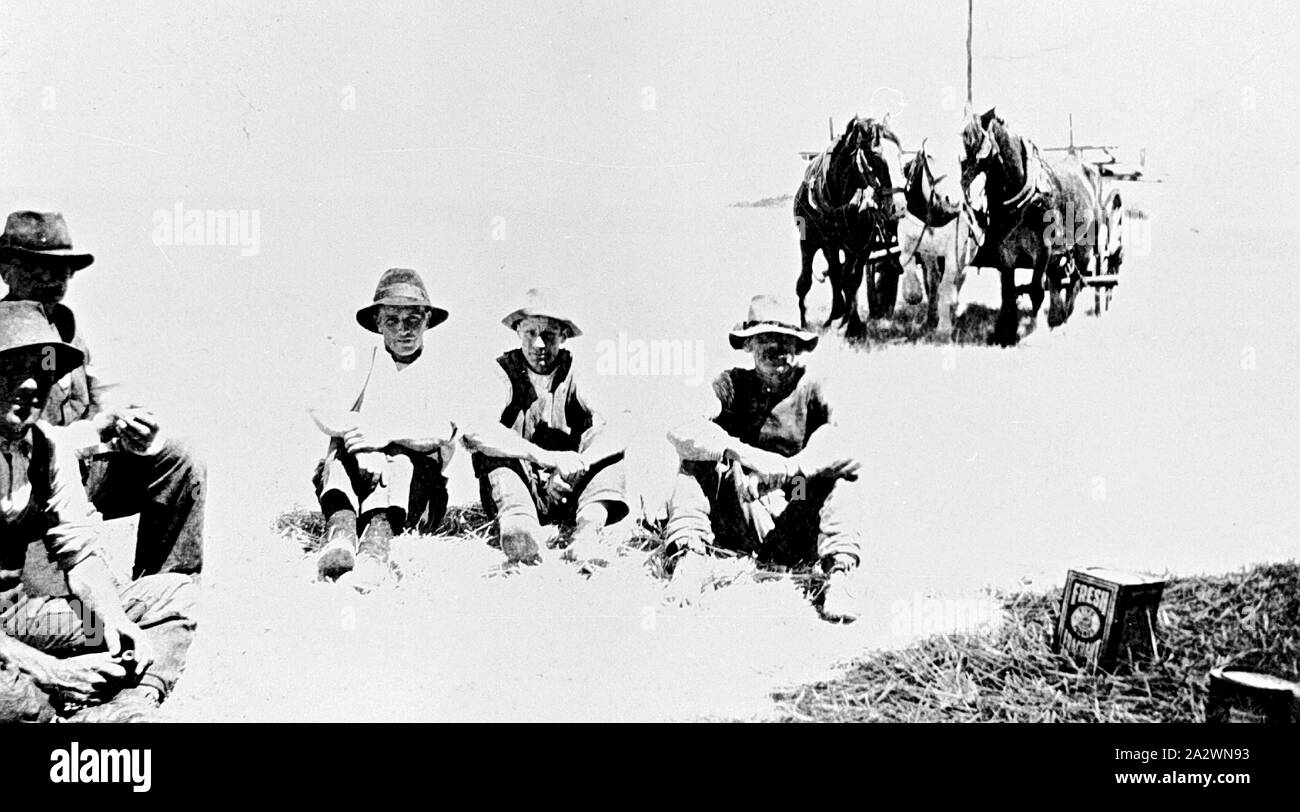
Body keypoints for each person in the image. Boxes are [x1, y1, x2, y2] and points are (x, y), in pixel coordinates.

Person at [0, 301, 197, 723]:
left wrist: (113, 618)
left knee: (174, 597)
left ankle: (133, 702)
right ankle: (54, 706)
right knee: (9, 694)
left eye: (44, 371)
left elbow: (80, 554)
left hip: (19, 620)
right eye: (15, 368)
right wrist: (55, 671)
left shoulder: (45, 447)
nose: (33, 384)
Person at [0, 211, 206, 580]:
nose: (53, 280)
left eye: (63, 271)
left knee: (179, 455)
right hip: (25, 493)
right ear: (6, 270)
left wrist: (131, 428)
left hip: (77, 475)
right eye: (37, 268)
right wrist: (98, 429)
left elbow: (101, 399)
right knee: (67, 620)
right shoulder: (4, 336)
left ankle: (165, 586)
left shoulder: (68, 333)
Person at [663, 293, 866, 622]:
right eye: (765, 340)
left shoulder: (813, 387)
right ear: (749, 345)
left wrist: (788, 469)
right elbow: (680, 425)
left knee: (840, 478)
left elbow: (849, 440)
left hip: (798, 501)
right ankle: (690, 559)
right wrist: (745, 455)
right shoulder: (732, 385)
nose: (775, 349)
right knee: (694, 459)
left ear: (798, 347)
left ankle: (838, 576)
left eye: (784, 340)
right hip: (744, 500)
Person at [309, 268, 458, 592]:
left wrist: (387, 434)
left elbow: (445, 429)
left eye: (413, 320)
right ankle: (342, 533)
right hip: (361, 481)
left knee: (403, 458)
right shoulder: (364, 362)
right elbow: (321, 409)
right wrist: (365, 445)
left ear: (428, 320)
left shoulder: (441, 369)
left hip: (412, 495)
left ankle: (375, 550)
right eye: (392, 320)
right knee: (340, 443)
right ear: (377, 322)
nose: (403, 330)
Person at [462, 288, 629, 568]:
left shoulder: (578, 371)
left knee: (605, 442)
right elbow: (475, 428)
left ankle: (587, 533)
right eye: (530, 333)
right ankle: (519, 531)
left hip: (569, 489)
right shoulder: (501, 372)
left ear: (564, 336)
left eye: (549, 334)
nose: (539, 343)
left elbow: (624, 422)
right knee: (493, 448)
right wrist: (547, 458)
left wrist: (578, 465)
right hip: (519, 484)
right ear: (517, 331)